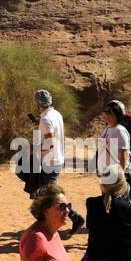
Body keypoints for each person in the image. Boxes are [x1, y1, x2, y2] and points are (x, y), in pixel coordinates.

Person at [29, 89, 85, 235]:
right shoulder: (55, 114)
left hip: (50, 161)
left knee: (49, 197)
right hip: (55, 159)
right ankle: (73, 217)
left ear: (37, 104)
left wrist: (33, 149)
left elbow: (50, 142)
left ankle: (74, 217)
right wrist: (39, 121)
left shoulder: (46, 119)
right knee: (49, 195)